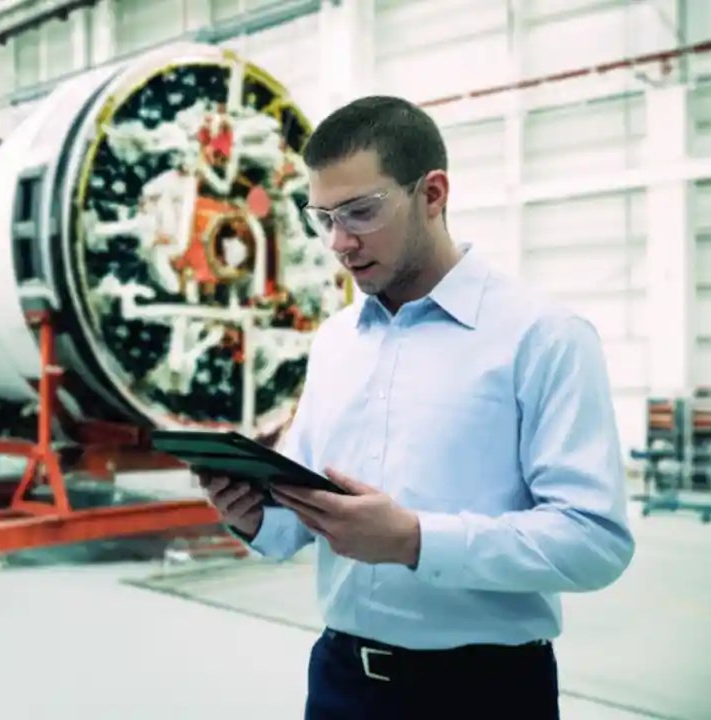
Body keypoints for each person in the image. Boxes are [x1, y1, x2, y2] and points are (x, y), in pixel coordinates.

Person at [199, 96, 635, 719]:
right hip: (341, 682)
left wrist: (416, 540)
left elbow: (594, 542)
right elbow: (300, 515)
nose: (340, 243)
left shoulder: (542, 336)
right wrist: (252, 512)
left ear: (433, 194)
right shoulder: (335, 343)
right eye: (323, 218)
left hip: (485, 694)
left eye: (361, 212)